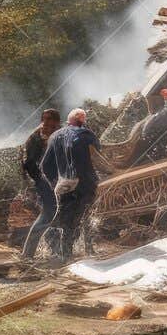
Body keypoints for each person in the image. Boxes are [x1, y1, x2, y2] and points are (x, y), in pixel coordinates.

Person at [41, 108, 101, 261]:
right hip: (86, 184)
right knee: (87, 215)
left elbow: (45, 165)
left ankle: (65, 254)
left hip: (64, 185)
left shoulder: (55, 136)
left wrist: (56, 181)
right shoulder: (87, 135)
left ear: (68, 121)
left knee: (66, 219)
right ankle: (88, 249)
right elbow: (98, 157)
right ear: (82, 121)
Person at [19, 108, 61, 262]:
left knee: (55, 214)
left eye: (50, 120)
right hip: (42, 183)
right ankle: (28, 254)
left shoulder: (58, 135)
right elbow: (29, 164)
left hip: (56, 181)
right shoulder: (35, 138)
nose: (47, 123)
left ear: (57, 122)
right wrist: (41, 181)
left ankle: (55, 251)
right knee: (48, 213)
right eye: (45, 119)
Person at [134, 88, 167, 160]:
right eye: (148, 101)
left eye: (150, 101)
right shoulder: (151, 121)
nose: (149, 105)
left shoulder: (151, 121)